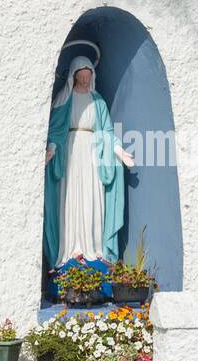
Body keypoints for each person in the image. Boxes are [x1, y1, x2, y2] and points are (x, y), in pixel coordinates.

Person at [43, 53, 135, 269]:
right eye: (81, 77)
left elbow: (107, 132)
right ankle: (72, 251)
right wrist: (52, 148)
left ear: (92, 76)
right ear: (73, 77)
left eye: (87, 76)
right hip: (71, 154)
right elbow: (56, 130)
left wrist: (119, 151)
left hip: (93, 154)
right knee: (71, 198)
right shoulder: (64, 99)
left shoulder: (99, 102)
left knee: (92, 198)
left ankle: (94, 250)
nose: (84, 80)